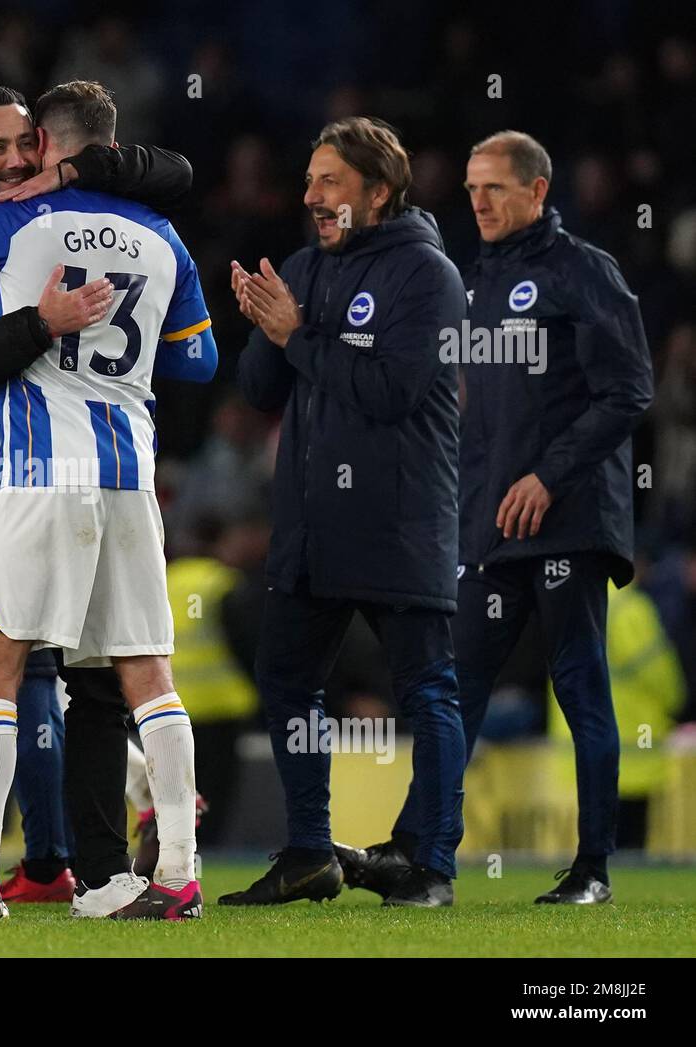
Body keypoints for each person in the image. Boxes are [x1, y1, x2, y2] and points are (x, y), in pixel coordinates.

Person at [0, 79, 217, 921]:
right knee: (145, 671)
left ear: (51, 150)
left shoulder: (16, 222)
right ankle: (176, 875)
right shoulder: (165, 235)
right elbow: (199, 361)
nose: (20, 165)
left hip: (36, 473)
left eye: (30, 151)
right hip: (131, 474)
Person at [337, 131, 653, 904]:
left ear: (538, 192)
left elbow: (630, 389)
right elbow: (477, 419)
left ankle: (594, 868)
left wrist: (550, 473)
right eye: (472, 188)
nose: (477, 201)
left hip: (570, 518)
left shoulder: (583, 272)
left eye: (496, 189)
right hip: (490, 528)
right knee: (456, 686)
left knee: (579, 686)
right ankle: (421, 854)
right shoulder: (475, 284)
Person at [224, 117, 467, 909]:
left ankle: (430, 864)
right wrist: (266, 326)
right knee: (286, 680)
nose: (312, 196)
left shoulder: (426, 274)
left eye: (330, 181)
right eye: (309, 181)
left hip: (398, 522)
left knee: (426, 690)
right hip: (311, 527)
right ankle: (306, 853)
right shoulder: (304, 265)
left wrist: (296, 332)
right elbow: (260, 391)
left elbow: (390, 392)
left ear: (379, 190)